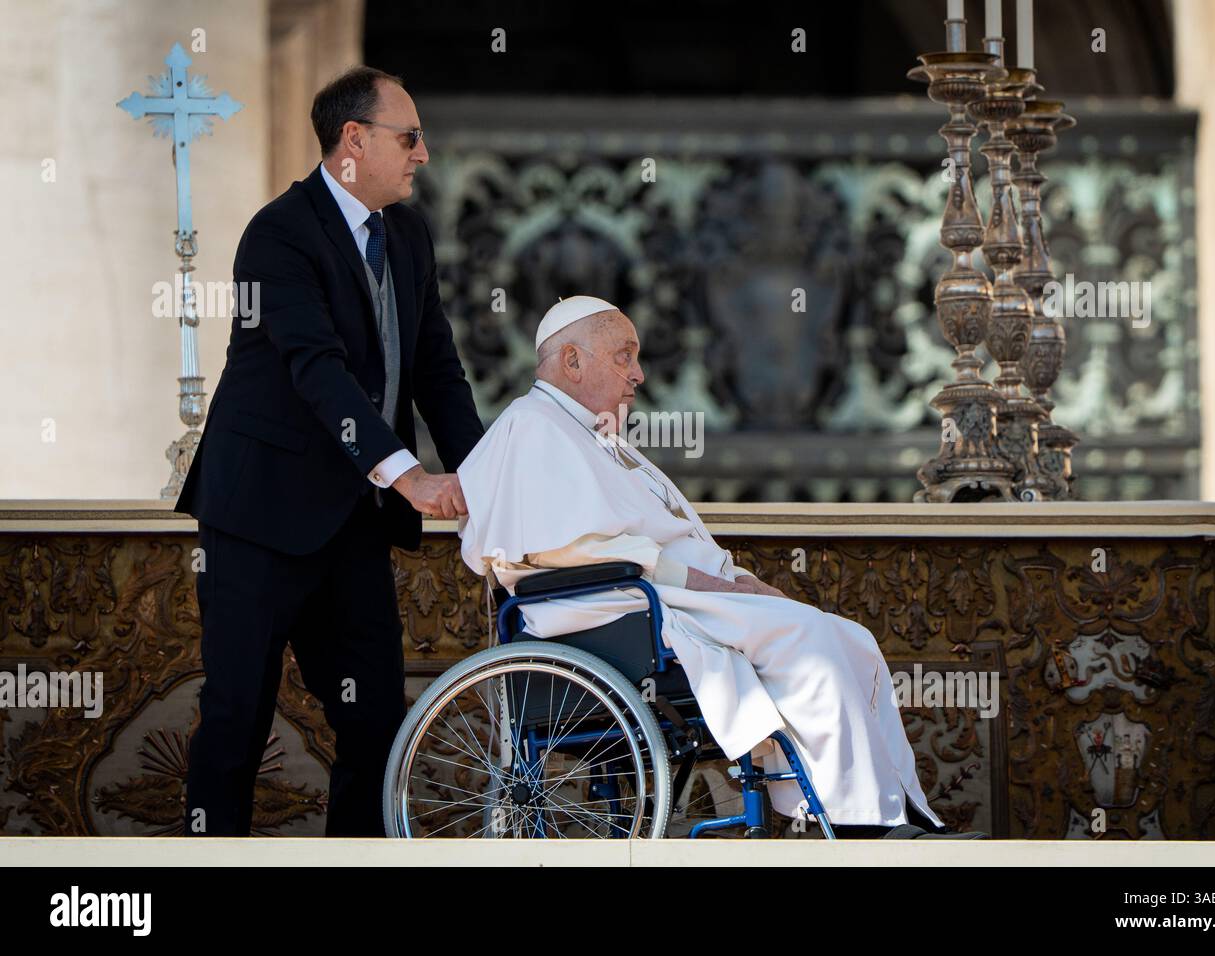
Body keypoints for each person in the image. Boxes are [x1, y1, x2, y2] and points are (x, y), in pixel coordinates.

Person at [455, 296, 986, 839]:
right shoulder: (531, 426)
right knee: (804, 636)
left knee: (850, 638)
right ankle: (859, 825)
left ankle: (897, 810)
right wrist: (712, 586)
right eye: (624, 356)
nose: (638, 374)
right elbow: (573, 549)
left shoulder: (595, 435)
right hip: (611, 615)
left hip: (653, 601)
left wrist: (737, 582)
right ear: (572, 361)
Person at [176, 66, 484, 836]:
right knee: (236, 719)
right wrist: (410, 476)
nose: (423, 152)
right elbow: (317, 369)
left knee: (378, 722)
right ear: (354, 141)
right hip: (257, 517)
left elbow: (437, 371)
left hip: (352, 521)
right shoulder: (278, 233)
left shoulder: (407, 234)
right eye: (408, 136)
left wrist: (487, 476)